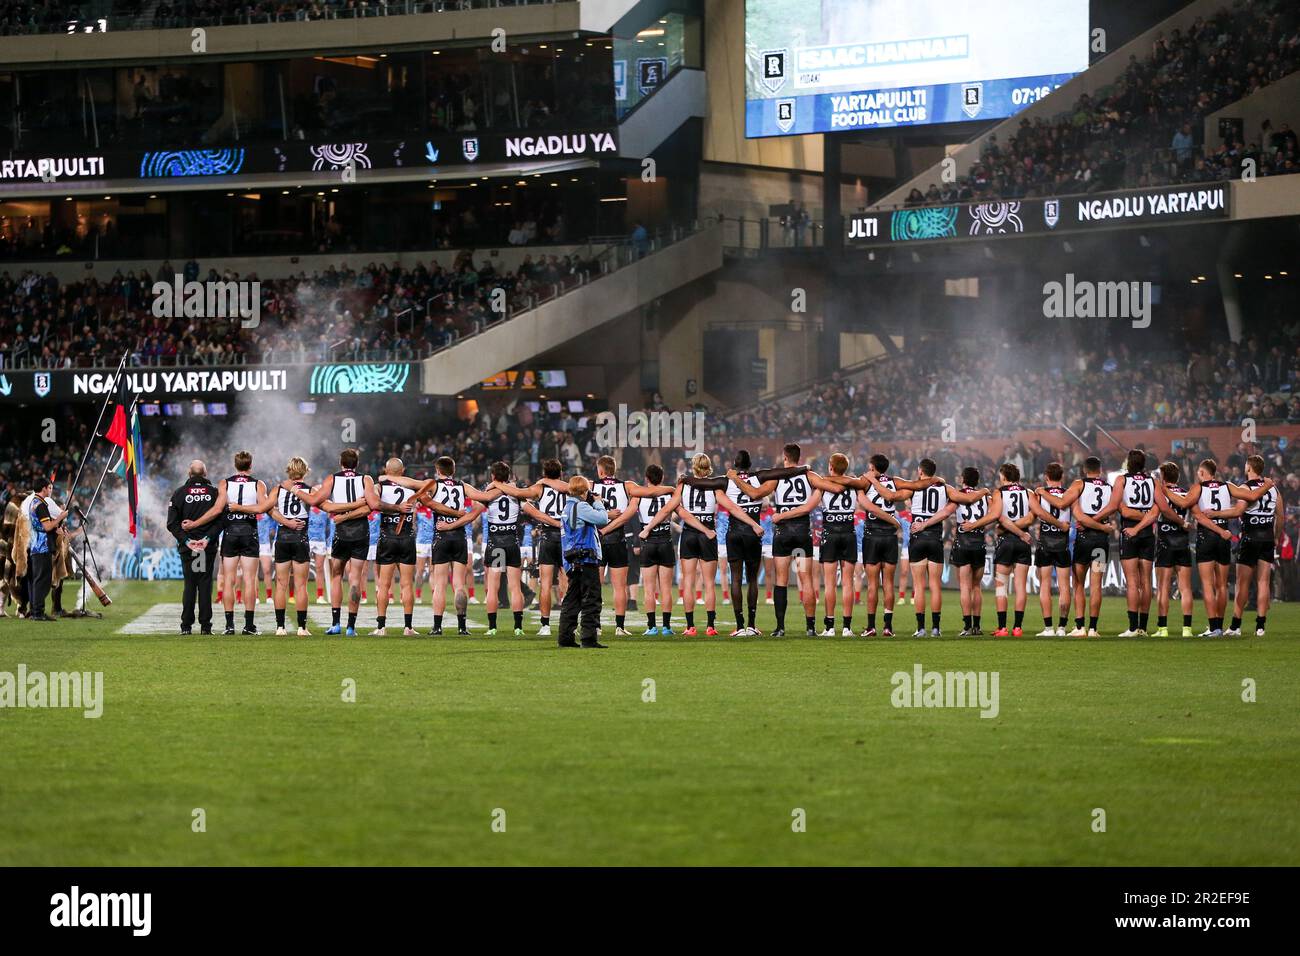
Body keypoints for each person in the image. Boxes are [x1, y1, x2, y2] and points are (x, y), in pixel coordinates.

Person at [167, 460, 223, 635]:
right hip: (207, 545)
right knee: (205, 584)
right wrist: (206, 538)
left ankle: (186, 626)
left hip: (188, 546)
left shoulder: (179, 493)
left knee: (190, 584)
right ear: (205, 474)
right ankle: (206, 627)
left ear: (189, 473)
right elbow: (221, 520)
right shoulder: (214, 493)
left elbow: (171, 524)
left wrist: (186, 541)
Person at [557, 474, 609, 648]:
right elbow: (603, 519)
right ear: (585, 491)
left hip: (572, 560)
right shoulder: (581, 506)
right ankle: (588, 638)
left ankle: (565, 638)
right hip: (586, 559)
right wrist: (598, 502)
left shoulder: (567, 508)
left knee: (572, 600)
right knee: (592, 599)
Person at [23, 475, 70, 622]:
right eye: (49, 487)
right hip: (42, 547)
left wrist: (55, 527)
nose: (51, 490)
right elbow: (47, 526)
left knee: (38, 580)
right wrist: (61, 516)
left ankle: (37, 611)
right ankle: (38, 613)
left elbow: (44, 526)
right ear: (43, 488)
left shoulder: (34, 503)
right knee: (42, 581)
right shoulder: (41, 505)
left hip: (36, 545)